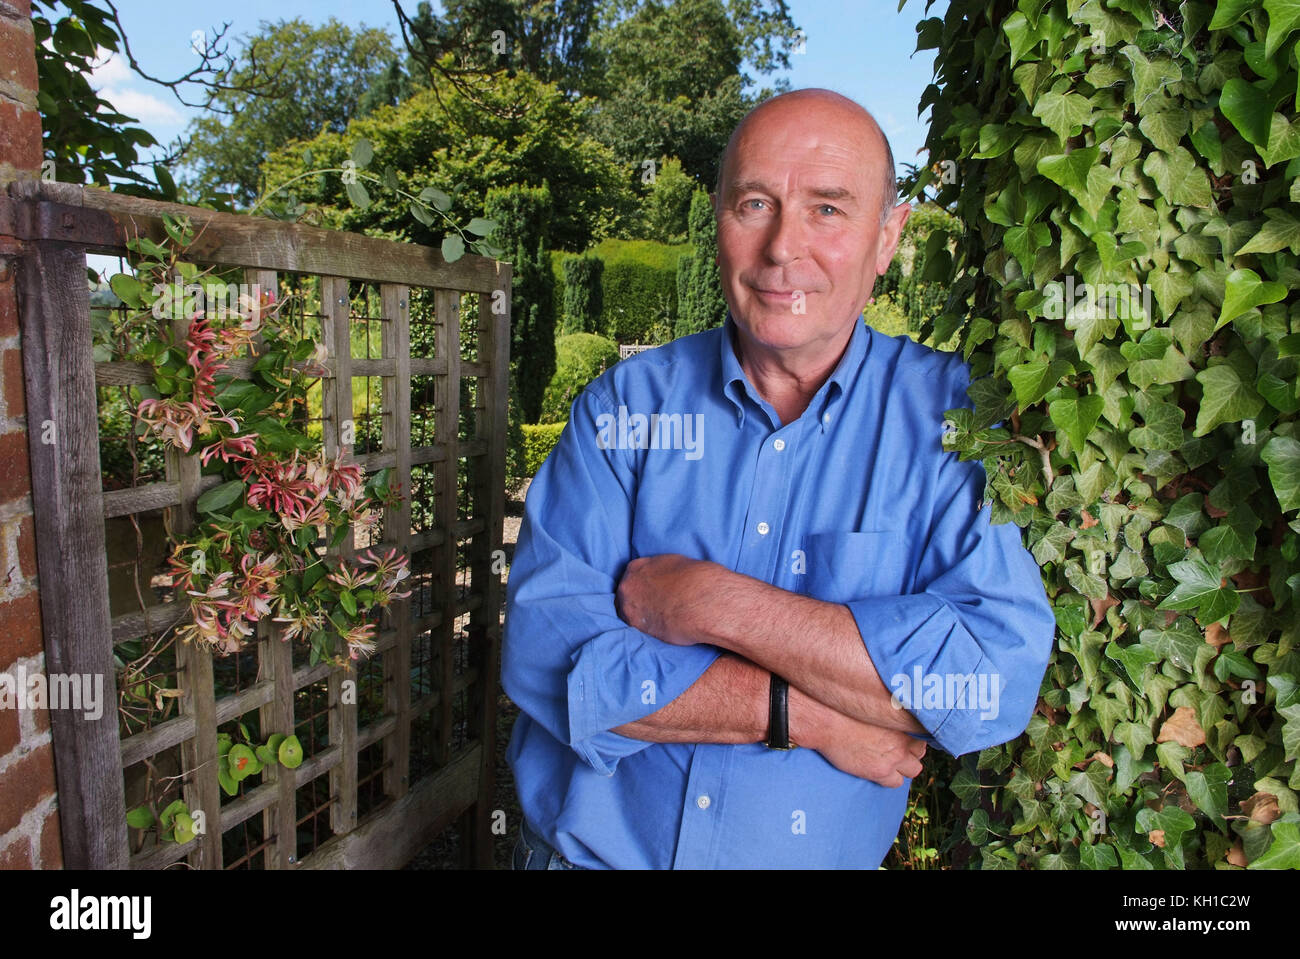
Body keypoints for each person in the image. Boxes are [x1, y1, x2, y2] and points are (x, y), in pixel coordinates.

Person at [500, 88, 1055, 869]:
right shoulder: (627, 407)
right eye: (755, 203)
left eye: (829, 209)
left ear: (888, 238)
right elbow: (549, 656)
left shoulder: (949, 424)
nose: (783, 248)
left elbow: (988, 679)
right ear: (719, 221)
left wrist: (714, 603)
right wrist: (805, 711)